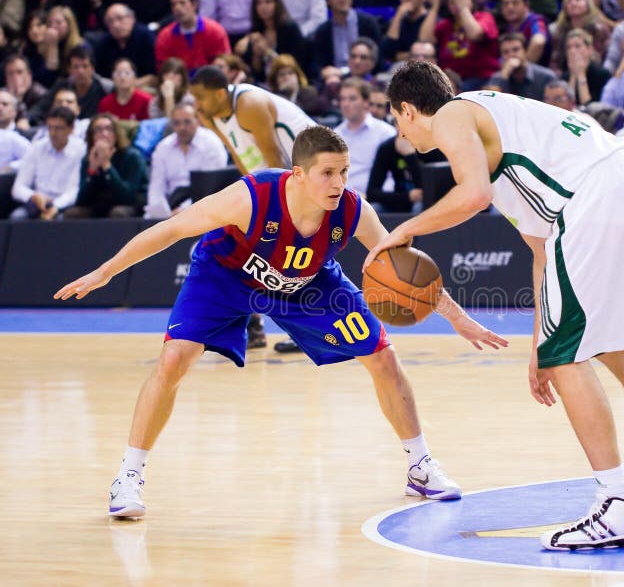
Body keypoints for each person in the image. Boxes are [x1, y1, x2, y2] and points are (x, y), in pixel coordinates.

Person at [53, 125, 508, 519]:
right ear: (298, 174)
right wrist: (106, 271)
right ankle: (128, 476)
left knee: (382, 357)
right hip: (227, 275)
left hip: (309, 282)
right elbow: (171, 229)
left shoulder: (353, 210)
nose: (338, 183)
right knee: (174, 359)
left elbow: (406, 269)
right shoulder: (250, 198)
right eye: (327, 173)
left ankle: (420, 466)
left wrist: (458, 318)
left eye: (344, 171)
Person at [367, 60, 624, 551]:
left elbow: (472, 195)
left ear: (407, 109)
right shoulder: (498, 131)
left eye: (397, 119)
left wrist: (405, 228)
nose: (401, 132)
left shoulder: (451, 114)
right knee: (614, 346)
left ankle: (617, 504)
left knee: (571, 356)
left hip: (594, 195)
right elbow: (542, 250)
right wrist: (539, 345)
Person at [189, 64, 317, 350]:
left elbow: (276, 159)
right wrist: (248, 200)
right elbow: (239, 156)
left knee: (296, 254)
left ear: (220, 94)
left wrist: (277, 207)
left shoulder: (249, 104)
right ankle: (252, 327)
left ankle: (307, 330)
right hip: (281, 179)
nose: (196, 104)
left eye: (200, 97)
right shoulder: (209, 114)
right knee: (235, 245)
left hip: (312, 172)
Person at [144, 102, 228, 219]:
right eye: (177, 123)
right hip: (171, 207)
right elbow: (156, 187)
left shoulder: (212, 144)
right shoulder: (163, 147)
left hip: (204, 207)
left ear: (198, 121)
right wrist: (160, 211)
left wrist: (183, 211)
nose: (182, 128)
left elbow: (212, 187)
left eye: (187, 122)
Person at [63, 113, 149, 218]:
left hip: (131, 206)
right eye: (98, 130)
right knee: (72, 213)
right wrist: (92, 170)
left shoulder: (132, 156)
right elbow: (81, 201)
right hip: (100, 205)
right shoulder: (88, 159)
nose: (104, 134)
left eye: (109, 129)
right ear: (91, 136)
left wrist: (106, 165)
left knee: (118, 212)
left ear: (116, 134)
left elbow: (127, 197)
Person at [418, 0, 500, 91]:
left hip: (481, 79)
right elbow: (424, 40)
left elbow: (475, 34)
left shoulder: (484, 17)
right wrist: (435, 5)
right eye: (452, 1)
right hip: (451, 79)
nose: (456, 4)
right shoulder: (446, 24)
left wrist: (463, 7)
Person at [10, 106, 85, 219]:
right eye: (50, 127)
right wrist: (33, 196)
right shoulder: (37, 147)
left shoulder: (80, 150)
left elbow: (74, 189)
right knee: (17, 216)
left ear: (71, 129)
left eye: (59, 128)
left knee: (60, 219)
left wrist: (56, 206)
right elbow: (18, 187)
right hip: (36, 203)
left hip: (64, 205)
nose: (53, 133)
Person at [334, 77, 397, 196]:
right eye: (342, 99)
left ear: (366, 102)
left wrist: (372, 197)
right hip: (341, 197)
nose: (345, 104)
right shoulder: (335, 134)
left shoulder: (386, 132)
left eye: (352, 98)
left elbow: (393, 176)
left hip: (375, 198)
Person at [234, 0, 307, 84]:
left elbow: (295, 64)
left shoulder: (289, 29)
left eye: (268, 2)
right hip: (263, 84)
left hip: (288, 81)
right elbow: (256, 73)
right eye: (258, 3)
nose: (263, 7)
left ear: (277, 4)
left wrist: (267, 52)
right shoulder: (256, 31)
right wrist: (256, 57)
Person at [155, 0, 231, 74]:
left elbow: (225, 63)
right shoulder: (165, 37)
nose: (177, 8)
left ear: (194, 4)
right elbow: (163, 69)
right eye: (173, 4)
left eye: (182, 3)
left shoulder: (215, 31)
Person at [94, 4, 156, 82]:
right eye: (110, 21)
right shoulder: (103, 44)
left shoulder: (146, 37)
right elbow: (100, 76)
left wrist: (129, 86)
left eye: (120, 18)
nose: (115, 25)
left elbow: (153, 76)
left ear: (132, 18)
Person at [488, 32, 556, 101]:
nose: (511, 55)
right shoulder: (498, 77)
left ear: (525, 51)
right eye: (506, 52)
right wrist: (504, 76)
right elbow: (490, 101)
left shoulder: (546, 76)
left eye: (516, 49)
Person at [381, 0, 428, 64]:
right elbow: (386, 52)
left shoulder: (431, 20)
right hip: (398, 66)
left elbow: (425, 53)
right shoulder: (397, 20)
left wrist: (402, 56)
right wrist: (399, 15)